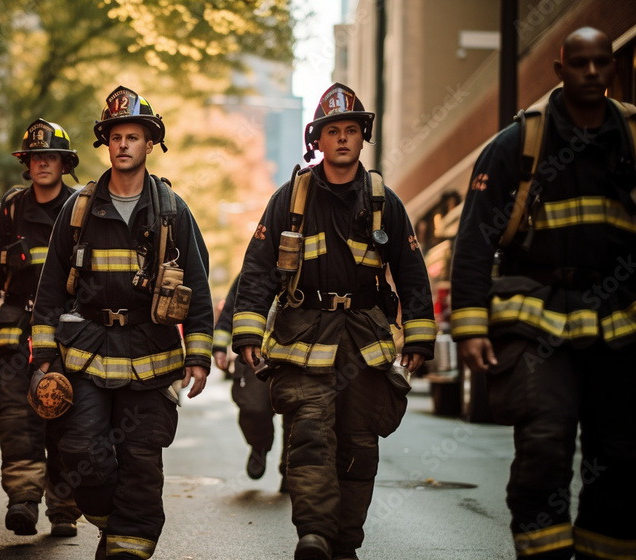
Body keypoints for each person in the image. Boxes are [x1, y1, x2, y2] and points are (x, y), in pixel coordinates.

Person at [451, 27, 636, 560]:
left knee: (622, 458)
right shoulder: (518, 145)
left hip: (619, 324)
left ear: (614, 68)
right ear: (560, 70)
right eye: (581, 63)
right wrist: (470, 327)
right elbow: (473, 243)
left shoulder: (631, 139)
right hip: (537, 324)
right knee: (543, 449)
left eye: (603, 62)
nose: (594, 73)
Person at [232, 83, 436, 560]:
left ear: (362, 137)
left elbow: (411, 272)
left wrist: (420, 337)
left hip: (364, 343)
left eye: (350, 130)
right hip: (303, 339)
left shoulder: (385, 201)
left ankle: (344, 542)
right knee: (309, 436)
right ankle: (315, 535)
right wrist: (246, 331)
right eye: (332, 131)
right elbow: (258, 267)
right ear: (317, 141)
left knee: (359, 445)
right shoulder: (291, 198)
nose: (342, 138)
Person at [30, 85, 213, 560]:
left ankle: (126, 548)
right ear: (106, 144)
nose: (124, 144)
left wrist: (198, 356)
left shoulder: (173, 210)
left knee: (141, 460)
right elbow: (50, 290)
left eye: (134, 136)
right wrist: (45, 357)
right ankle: (113, 523)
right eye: (116, 137)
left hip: (151, 353)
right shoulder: (79, 210)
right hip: (86, 352)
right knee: (80, 451)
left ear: (150, 143)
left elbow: (197, 284)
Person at [0, 118, 82, 538]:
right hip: (16, 335)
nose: (42, 164)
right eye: (35, 158)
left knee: (66, 421)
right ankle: (23, 501)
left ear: (65, 163)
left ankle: (64, 508)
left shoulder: (83, 209)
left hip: (69, 337)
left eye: (50, 157)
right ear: (26, 164)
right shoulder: (9, 212)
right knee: (17, 419)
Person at [212, 272, 288, 487]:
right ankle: (259, 445)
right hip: (256, 353)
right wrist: (219, 347)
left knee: (300, 415)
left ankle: (292, 469)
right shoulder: (256, 265)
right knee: (254, 408)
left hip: (298, 353)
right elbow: (230, 311)